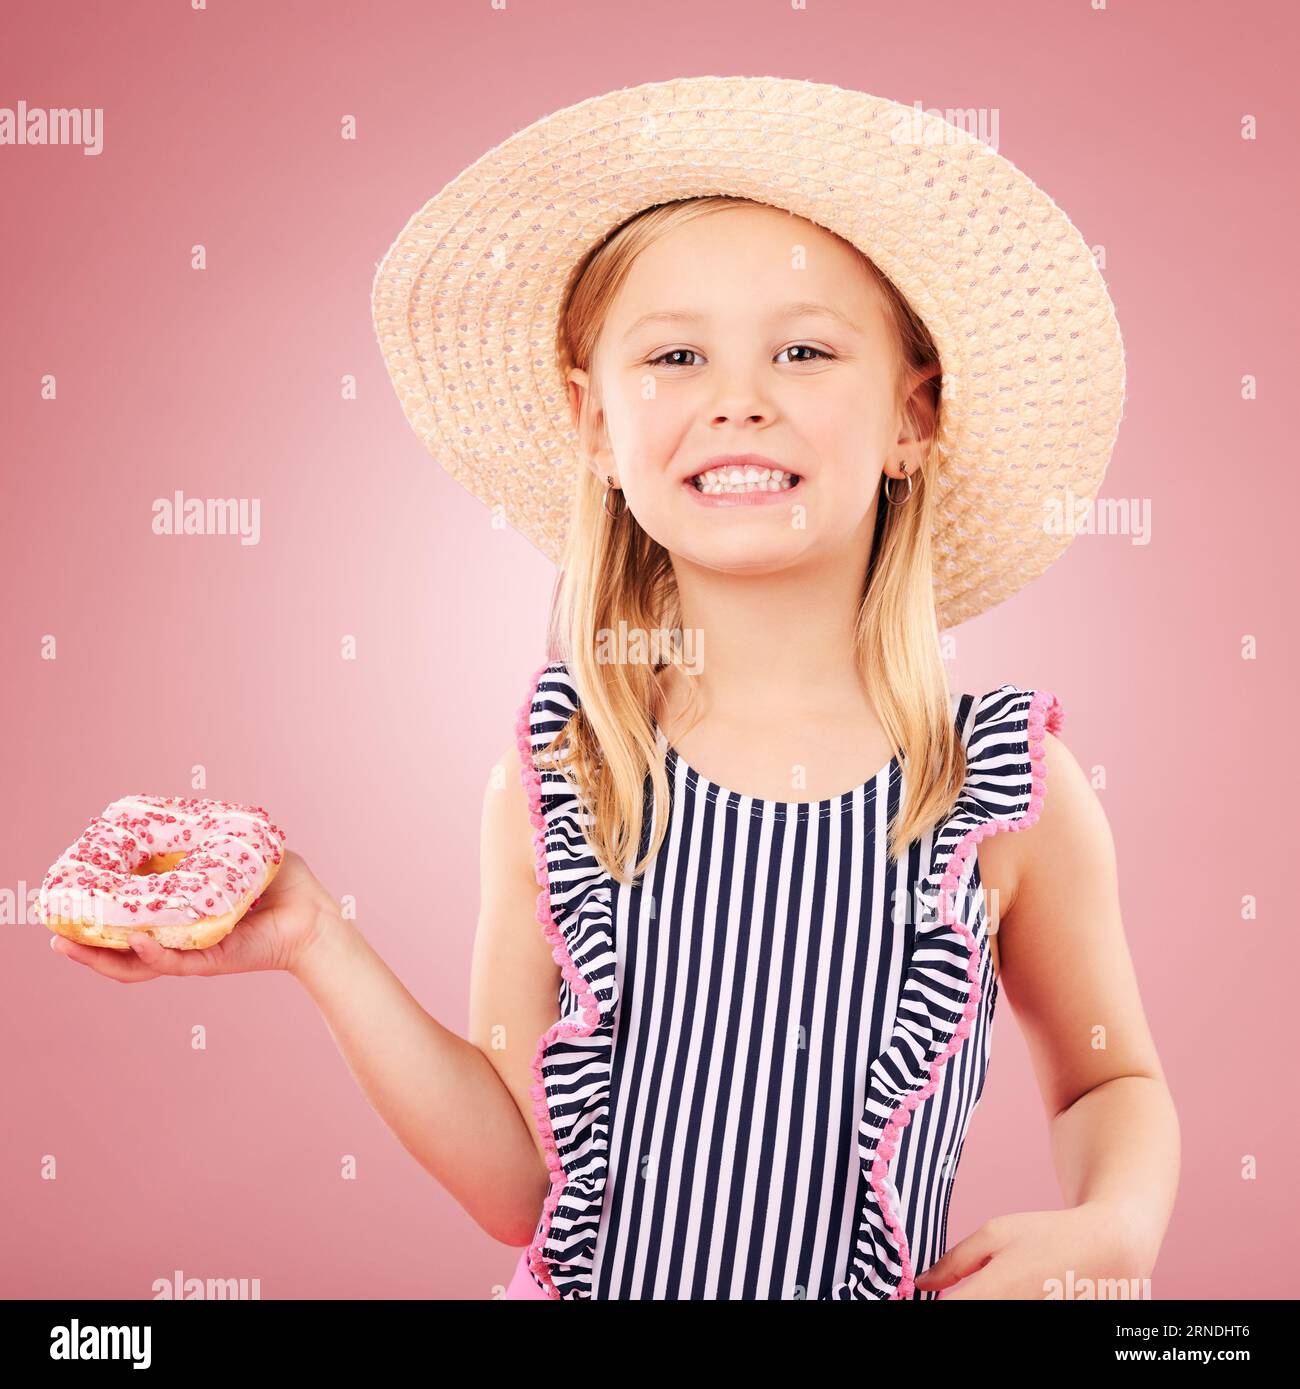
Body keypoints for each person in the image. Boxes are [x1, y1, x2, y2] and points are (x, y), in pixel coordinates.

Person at [52, 76, 1178, 1301]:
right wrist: (318, 939)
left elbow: (1107, 1079)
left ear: (912, 417)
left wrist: (1114, 1225)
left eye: (803, 350)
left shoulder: (1000, 789)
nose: (737, 396)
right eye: (675, 354)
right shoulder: (562, 780)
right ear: (593, 424)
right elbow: (517, 1186)